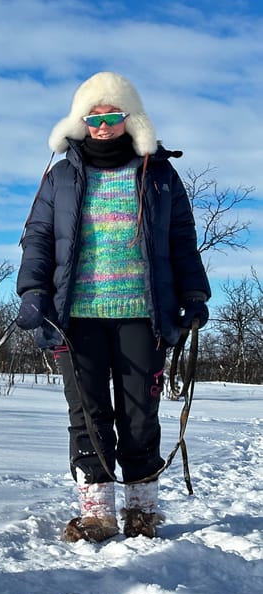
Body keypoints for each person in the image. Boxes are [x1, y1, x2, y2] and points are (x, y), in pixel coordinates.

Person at [15, 71, 210, 542]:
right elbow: (39, 238)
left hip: (142, 315)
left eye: (113, 115)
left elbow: (182, 239)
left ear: (131, 119)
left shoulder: (158, 174)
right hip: (76, 316)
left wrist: (194, 294)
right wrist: (33, 293)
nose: (104, 125)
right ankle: (97, 511)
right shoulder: (61, 175)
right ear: (81, 122)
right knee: (87, 414)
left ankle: (141, 511)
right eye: (94, 117)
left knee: (139, 414)